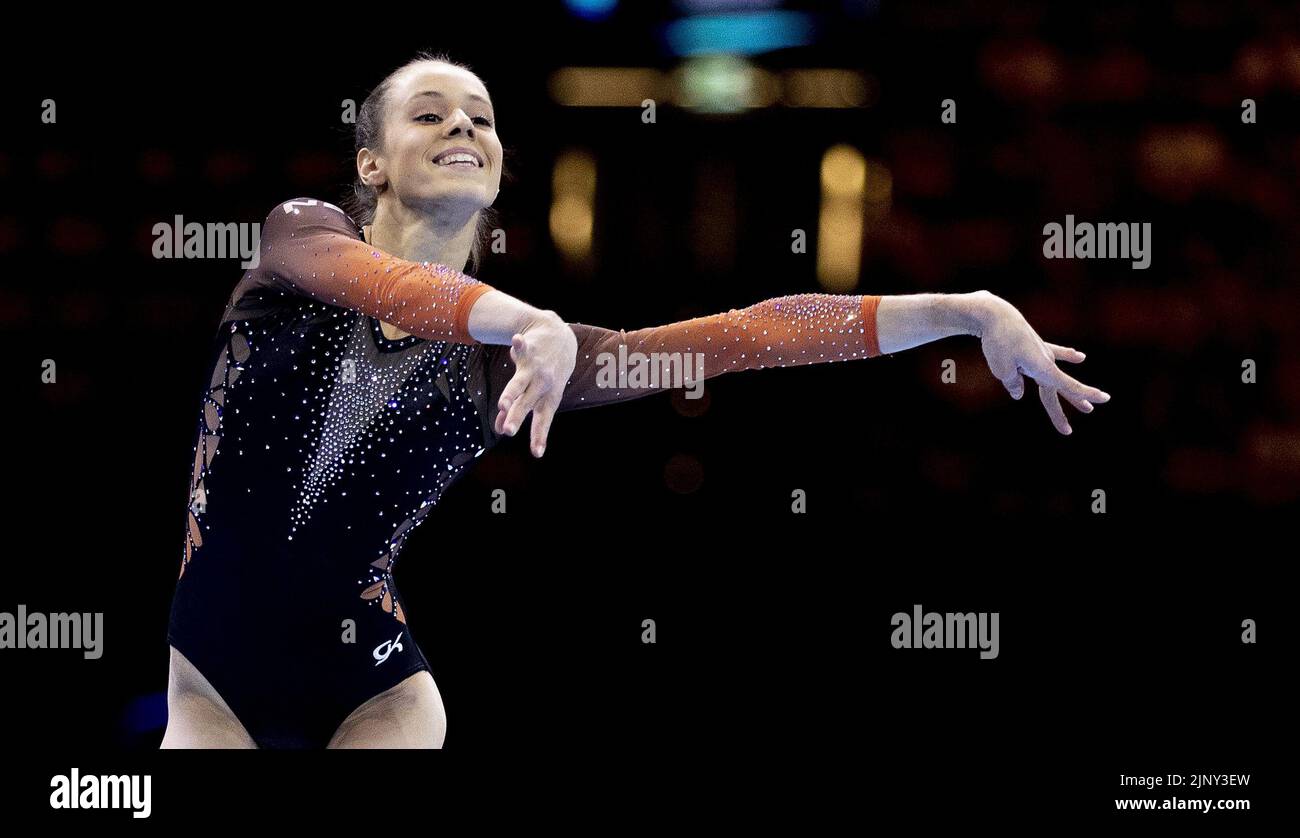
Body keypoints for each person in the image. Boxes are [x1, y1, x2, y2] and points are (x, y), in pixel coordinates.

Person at [162, 53, 1110, 748]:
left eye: (482, 118)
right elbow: (387, 286)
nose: (464, 127)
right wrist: (525, 321)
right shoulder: (298, 246)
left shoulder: (523, 359)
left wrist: (962, 309)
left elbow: (749, 337)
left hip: (375, 689)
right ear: (369, 163)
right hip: (212, 679)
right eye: (431, 114)